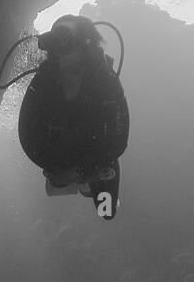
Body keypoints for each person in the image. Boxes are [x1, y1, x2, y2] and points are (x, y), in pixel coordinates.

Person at [17, 15, 129, 217]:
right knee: (60, 183)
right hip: (61, 157)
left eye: (64, 38)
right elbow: (27, 135)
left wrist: (87, 172)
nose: (58, 48)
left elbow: (118, 138)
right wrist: (55, 169)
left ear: (85, 42)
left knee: (107, 213)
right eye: (54, 40)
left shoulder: (104, 79)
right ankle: (79, 185)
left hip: (99, 157)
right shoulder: (43, 81)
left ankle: (89, 189)